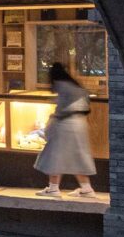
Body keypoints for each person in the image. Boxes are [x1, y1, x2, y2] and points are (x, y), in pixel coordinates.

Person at [36, 62, 97, 196]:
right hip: (79, 124)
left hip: (64, 125)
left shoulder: (61, 85)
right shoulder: (75, 85)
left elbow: (61, 109)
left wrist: (51, 120)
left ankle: (53, 188)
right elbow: (85, 106)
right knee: (77, 155)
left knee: (55, 155)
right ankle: (86, 188)